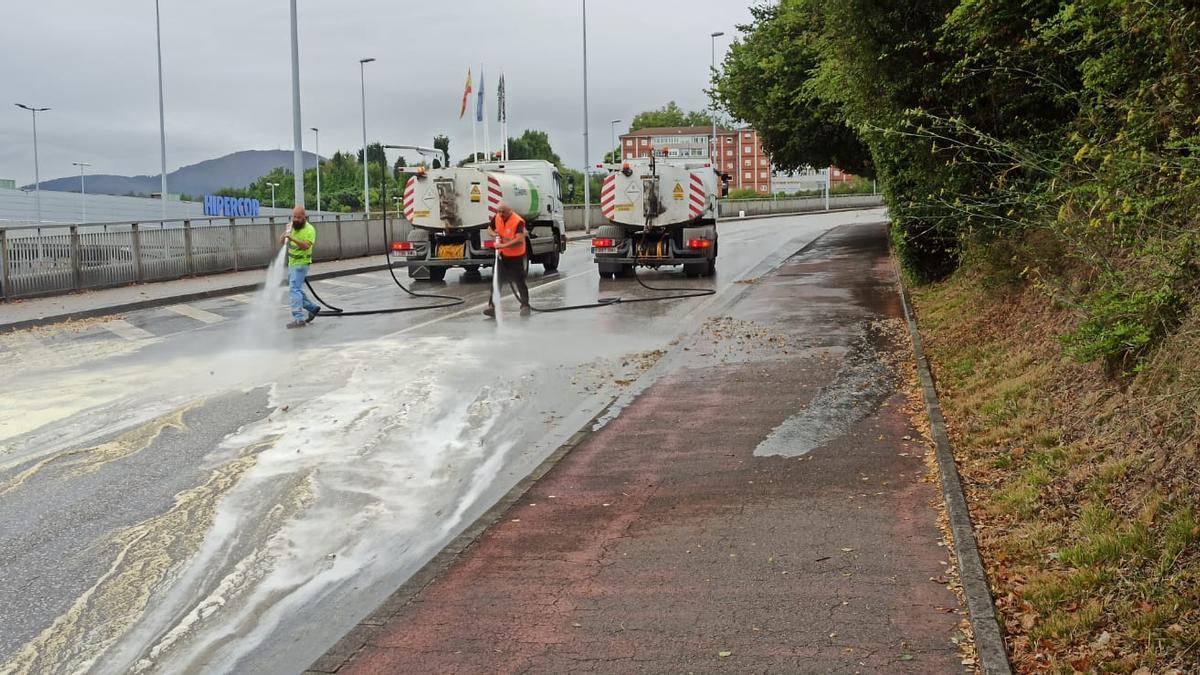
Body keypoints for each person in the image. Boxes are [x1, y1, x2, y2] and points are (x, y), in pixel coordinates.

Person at [485, 202, 531, 317]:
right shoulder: (497, 217)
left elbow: (519, 240)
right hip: (501, 255)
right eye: (499, 211)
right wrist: (494, 234)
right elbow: (489, 229)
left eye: (503, 212)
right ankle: (492, 306)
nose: (501, 214)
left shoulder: (517, 221)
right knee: (496, 280)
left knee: (519, 280)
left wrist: (503, 246)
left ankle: (525, 305)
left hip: (516, 255)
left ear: (510, 211)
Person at [280, 205, 321, 329]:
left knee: (294, 290)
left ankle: (298, 318)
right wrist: (285, 234)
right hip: (292, 263)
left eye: (298, 217)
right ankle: (312, 308)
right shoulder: (292, 226)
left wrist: (292, 237)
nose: (295, 219)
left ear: (304, 217)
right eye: (294, 217)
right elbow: (282, 242)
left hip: (301, 264)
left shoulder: (310, 229)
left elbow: (305, 246)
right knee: (297, 289)